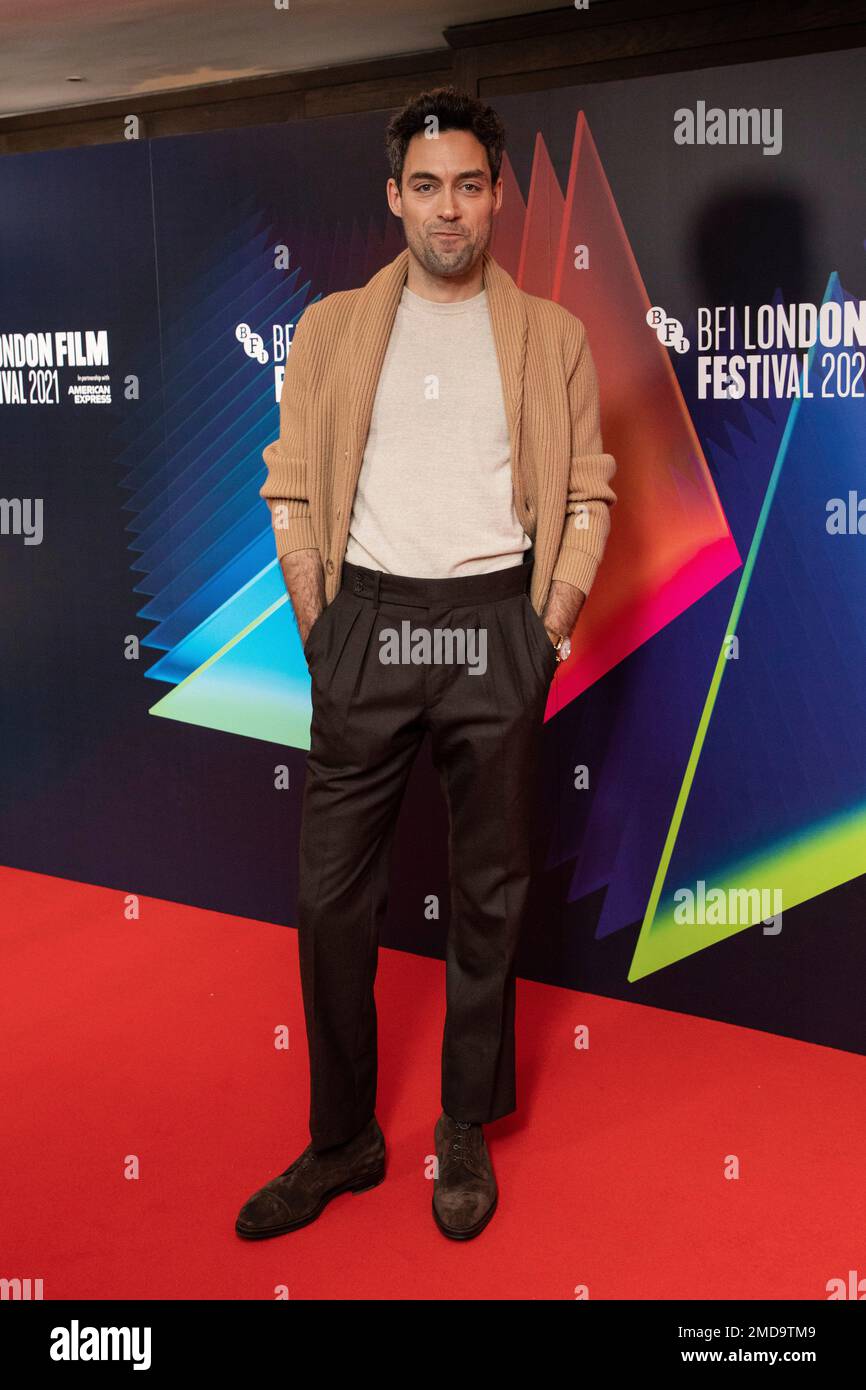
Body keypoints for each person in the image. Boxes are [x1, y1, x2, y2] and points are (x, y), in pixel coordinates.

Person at [236, 85, 616, 1242]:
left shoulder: (550, 335)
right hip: (368, 624)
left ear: (495, 195)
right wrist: (320, 625)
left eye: (467, 186)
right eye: (425, 186)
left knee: (490, 897)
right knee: (328, 900)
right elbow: (291, 483)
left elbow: (588, 492)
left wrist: (544, 627)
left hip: (495, 624)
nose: (447, 210)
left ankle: (461, 1123)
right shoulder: (333, 329)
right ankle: (343, 1135)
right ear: (392, 196)